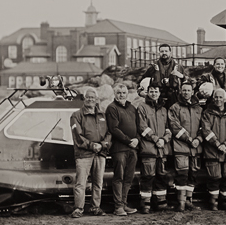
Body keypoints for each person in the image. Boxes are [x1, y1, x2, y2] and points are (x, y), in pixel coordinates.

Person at [69, 87, 110, 217]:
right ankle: (78, 209)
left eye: (93, 97)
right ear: (84, 99)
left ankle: (95, 208)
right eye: (88, 97)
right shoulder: (76, 115)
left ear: (97, 99)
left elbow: (109, 133)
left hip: (100, 154)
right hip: (84, 155)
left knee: (98, 183)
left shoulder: (103, 115)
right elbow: (77, 137)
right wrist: (93, 146)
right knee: (81, 183)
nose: (90, 99)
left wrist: (102, 145)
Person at [199, 87, 226, 210]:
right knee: (214, 177)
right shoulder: (207, 113)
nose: (218, 99)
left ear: (225, 99)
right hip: (212, 151)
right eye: (216, 97)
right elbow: (206, 131)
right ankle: (213, 202)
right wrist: (217, 144)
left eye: (220, 97)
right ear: (213, 99)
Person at [136, 82, 172, 213]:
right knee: (147, 177)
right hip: (148, 149)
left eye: (156, 91)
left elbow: (168, 128)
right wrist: (156, 139)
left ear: (159, 93)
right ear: (147, 92)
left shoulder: (163, 110)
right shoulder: (142, 107)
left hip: (162, 150)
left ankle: (161, 203)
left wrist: (164, 139)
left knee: (161, 176)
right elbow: (142, 128)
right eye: (151, 91)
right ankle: (145, 204)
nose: (154, 94)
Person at [105, 82, 140, 216]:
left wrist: (137, 139)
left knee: (128, 178)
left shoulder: (132, 108)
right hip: (119, 149)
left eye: (124, 93)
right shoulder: (111, 108)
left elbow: (138, 126)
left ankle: (124, 203)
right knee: (119, 177)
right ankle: (118, 206)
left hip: (133, 149)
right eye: (119, 93)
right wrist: (128, 141)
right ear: (115, 94)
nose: (121, 95)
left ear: (127, 94)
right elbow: (114, 129)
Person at [167, 80, 203, 211]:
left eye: (189, 90)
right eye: (184, 90)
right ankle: (181, 202)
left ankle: (189, 200)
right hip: (181, 146)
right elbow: (174, 126)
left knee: (193, 174)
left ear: (193, 92)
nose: (186, 92)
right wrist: (188, 139)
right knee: (181, 174)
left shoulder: (198, 108)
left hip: (196, 148)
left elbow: (203, 127)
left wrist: (198, 139)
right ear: (180, 91)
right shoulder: (175, 108)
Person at [142, 44, 185, 109]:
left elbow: (187, 81)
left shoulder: (178, 67)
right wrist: (140, 92)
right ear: (159, 52)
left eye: (166, 51)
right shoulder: (153, 67)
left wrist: (181, 76)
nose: (164, 53)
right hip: (157, 97)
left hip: (174, 98)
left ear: (170, 52)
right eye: (162, 51)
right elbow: (142, 81)